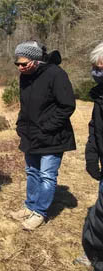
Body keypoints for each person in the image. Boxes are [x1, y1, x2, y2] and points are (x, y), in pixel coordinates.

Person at [10, 41, 76, 230]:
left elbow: (67, 106)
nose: (20, 67)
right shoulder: (25, 76)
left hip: (53, 136)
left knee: (47, 175)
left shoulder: (56, 74)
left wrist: (46, 127)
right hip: (31, 135)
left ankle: (39, 212)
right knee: (32, 172)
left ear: (36, 60)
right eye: (18, 64)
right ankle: (29, 206)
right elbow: (25, 105)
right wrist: (20, 126)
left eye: (24, 64)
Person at [75, 42, 103, 270]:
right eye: (95, 68)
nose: (96, 73)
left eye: (101, 68)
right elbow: (95, 127)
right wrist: (91, 155)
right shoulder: (100, 96)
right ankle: (96, 256)